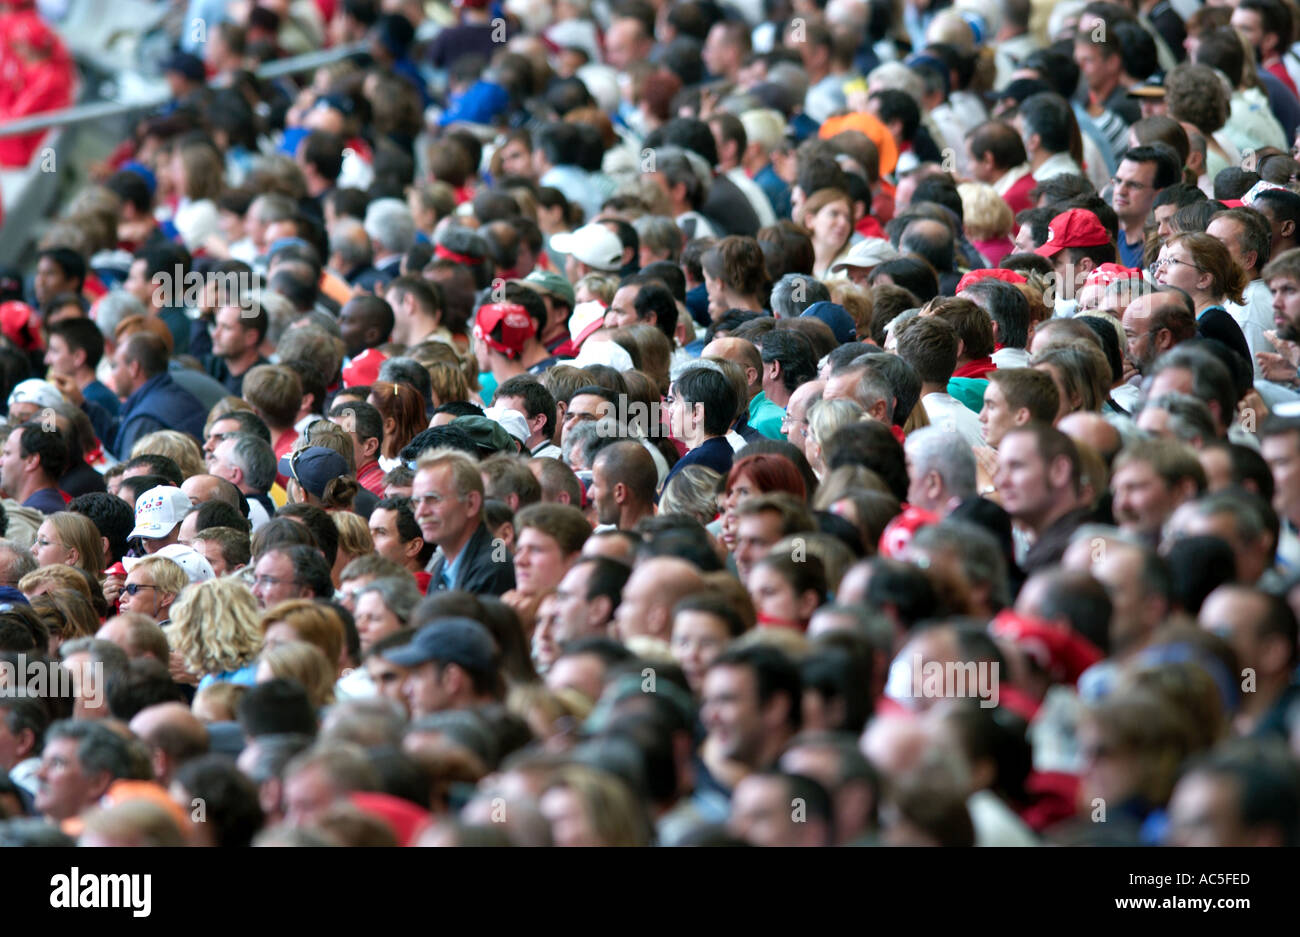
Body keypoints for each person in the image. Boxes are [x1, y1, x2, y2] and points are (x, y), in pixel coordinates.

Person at [414, 449, 515, 596]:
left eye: (433, 499)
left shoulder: (494, 568)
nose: (420, 513)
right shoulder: (445, 563)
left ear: (471, 504)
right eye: (416, 502)